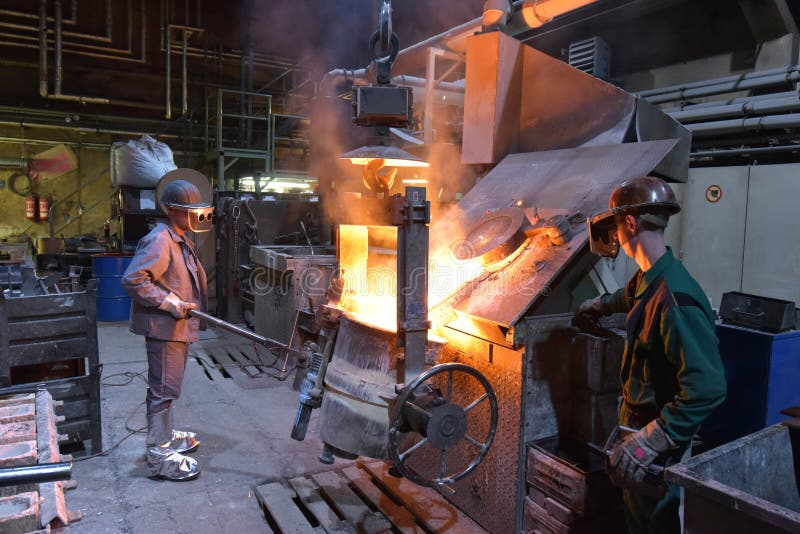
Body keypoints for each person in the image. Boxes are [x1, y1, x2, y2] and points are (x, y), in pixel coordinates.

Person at [578, 175, 727, 534]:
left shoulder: (675, 299)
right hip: (637, 428)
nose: (615, 235)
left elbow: (707, 388)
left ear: (630, 223)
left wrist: (651, 439)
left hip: (659, 446)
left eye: (617, 225)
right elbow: (631, 295)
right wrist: (599, 305)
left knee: (656, 523)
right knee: (636, 518)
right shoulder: (651, 277)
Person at [121, 177, 213, 481]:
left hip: (176, 329)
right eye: (191, 211)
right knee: (163, 389)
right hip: (164, 330)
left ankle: (165, 434)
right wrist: (168, 301)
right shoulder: (160, 240)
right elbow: (134, 279)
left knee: (167, 387)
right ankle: (159, 456)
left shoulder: (179, 237)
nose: (197, 216)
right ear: (172, 210)